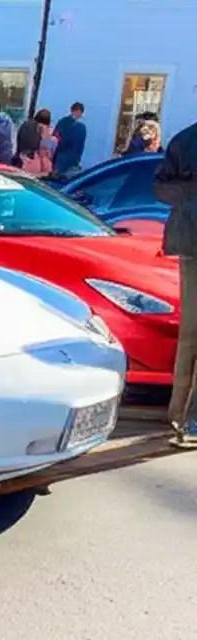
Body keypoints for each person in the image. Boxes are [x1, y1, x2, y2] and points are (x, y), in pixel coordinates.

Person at [154, 119, 197, 447]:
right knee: (191, 335)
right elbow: (160, 186)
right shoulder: (186, 140)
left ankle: (187, 418)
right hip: (192, 242)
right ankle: (183, 416)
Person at [15, 108, 56, 176]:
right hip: (35, 164)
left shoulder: (25, 125)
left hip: (22, 160)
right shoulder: (46, 131)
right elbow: (45, 152)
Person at [52, 102, 87, 177]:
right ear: (78, 111)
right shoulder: (81, 128)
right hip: (71, 160)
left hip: (60, 158)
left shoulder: (62, 122)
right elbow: (80, 146)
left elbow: (55, 139)